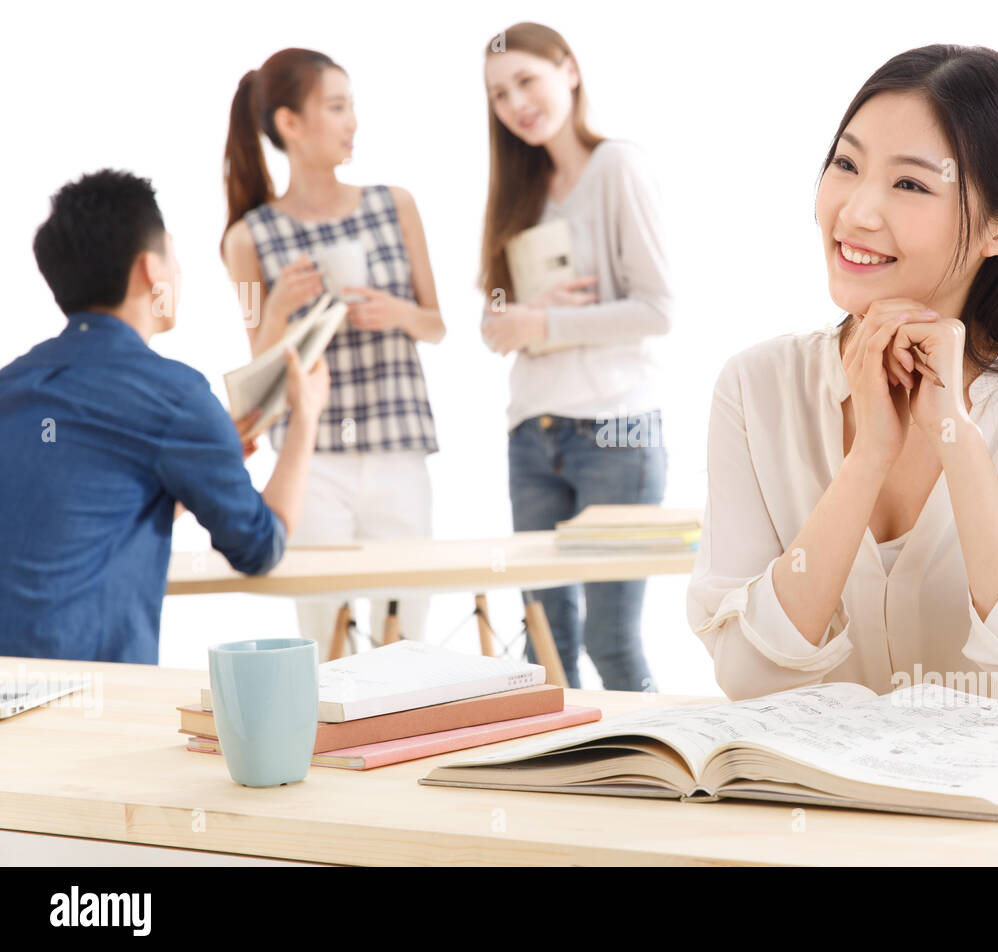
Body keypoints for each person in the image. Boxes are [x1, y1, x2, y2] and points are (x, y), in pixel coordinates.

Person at [686, 45, 998, 716]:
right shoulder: (756, 388)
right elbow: (747, 675)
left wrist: (956, 438)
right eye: (846, 165)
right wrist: (868, 458)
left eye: (911, 185)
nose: (857, 213)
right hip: (808, 787)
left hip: (997, 788)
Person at [0, 169, 328, 664]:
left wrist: (190, 471)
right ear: (150, 268)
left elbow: (77, 519)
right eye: (173, 255)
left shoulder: (11, 386)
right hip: (98, 696)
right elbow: (258, 546)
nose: (180, 272)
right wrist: (305, 420)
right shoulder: (175, 396)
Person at [221, 48, 446, 656]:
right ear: (290, 123)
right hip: (313, 461)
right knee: (323, 642)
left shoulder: (395, 204)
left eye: (351, 107)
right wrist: (276, 310)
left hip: (398, 447)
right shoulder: (248, 238)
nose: (352, 122)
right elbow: (257, 370)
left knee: (407, 637)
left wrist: (396, 313)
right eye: (338, 107)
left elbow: (436, 324)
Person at [479, 23, 672, 690]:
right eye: (499, 94)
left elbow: (658, 309)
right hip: (532, 434)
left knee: (610, 641)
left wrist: (544, 322)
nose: (515, 104)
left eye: (525, 81)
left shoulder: (617, 167)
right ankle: (560, 763)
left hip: (616, 434)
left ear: (568, 70)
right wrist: (519, 317)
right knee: (545, 646)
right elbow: (495, 323)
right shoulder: (519, 189)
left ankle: (653, 757)